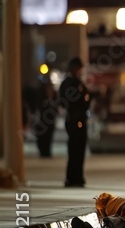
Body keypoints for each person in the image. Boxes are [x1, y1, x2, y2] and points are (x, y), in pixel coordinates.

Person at [60, 57, 91, 187]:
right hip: (74, 120)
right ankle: (72, 177)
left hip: (80, 119)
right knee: (74, 149)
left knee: (79, 149)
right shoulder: (69, 84)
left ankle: (77, 177)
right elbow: (68, 102)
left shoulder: (77, 83)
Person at [34, 78, 59, 158]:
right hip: (43, 119)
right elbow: (39, 106)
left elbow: (56, 106)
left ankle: (47, 151)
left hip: (50, 120)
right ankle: (43, 151)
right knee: (42, 136)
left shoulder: (54, 96)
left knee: (49, 136)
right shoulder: (41, 95)